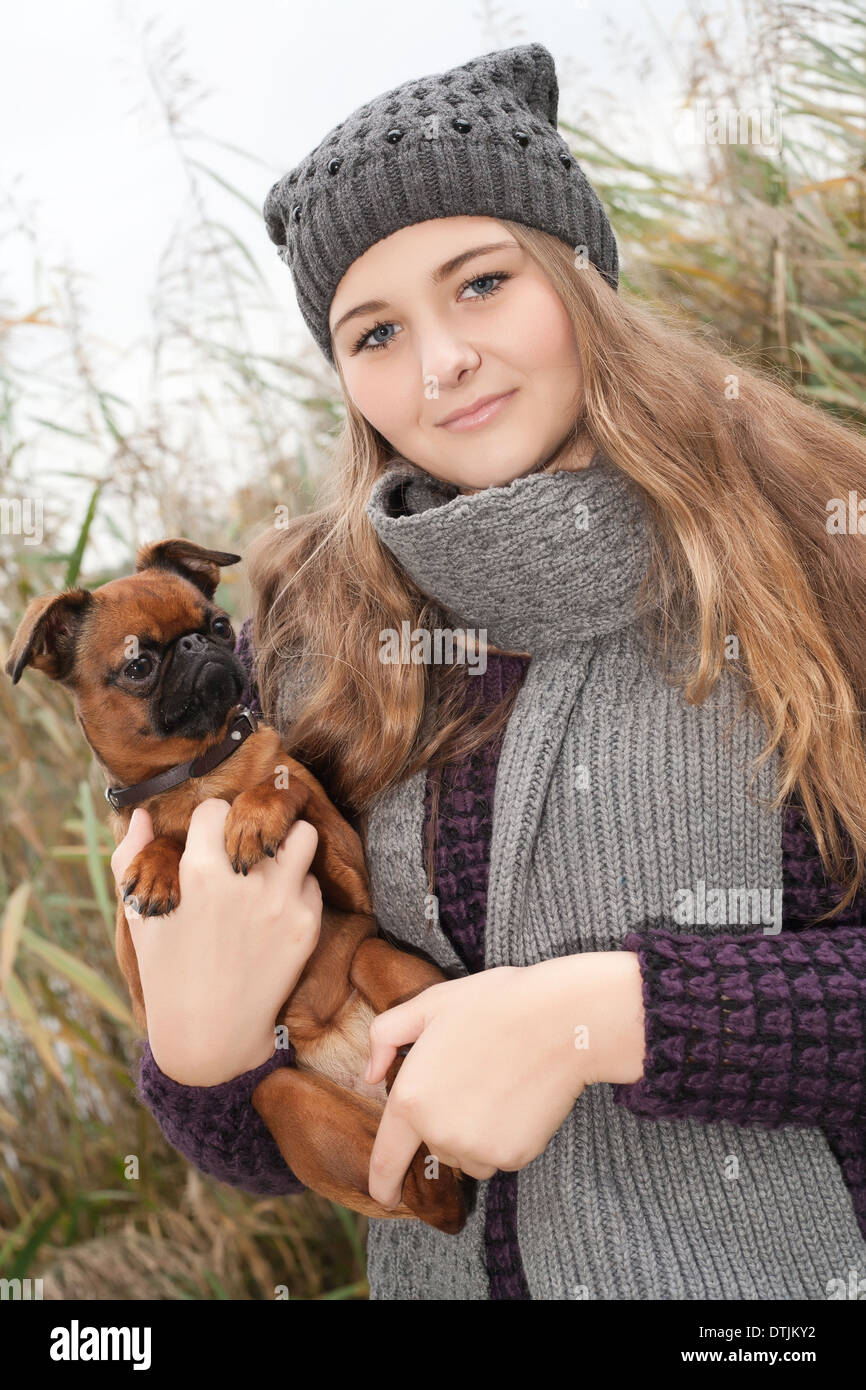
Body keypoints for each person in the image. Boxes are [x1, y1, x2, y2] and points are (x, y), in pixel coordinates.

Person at [112, 42, 866, 1300]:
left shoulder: (817, 554)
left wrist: (608, 1017)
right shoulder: (303, 645)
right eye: (375, 331)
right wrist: (199, 1054)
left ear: (576, 274)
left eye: (478, 283)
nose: (440, 360)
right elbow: (261, 1139)